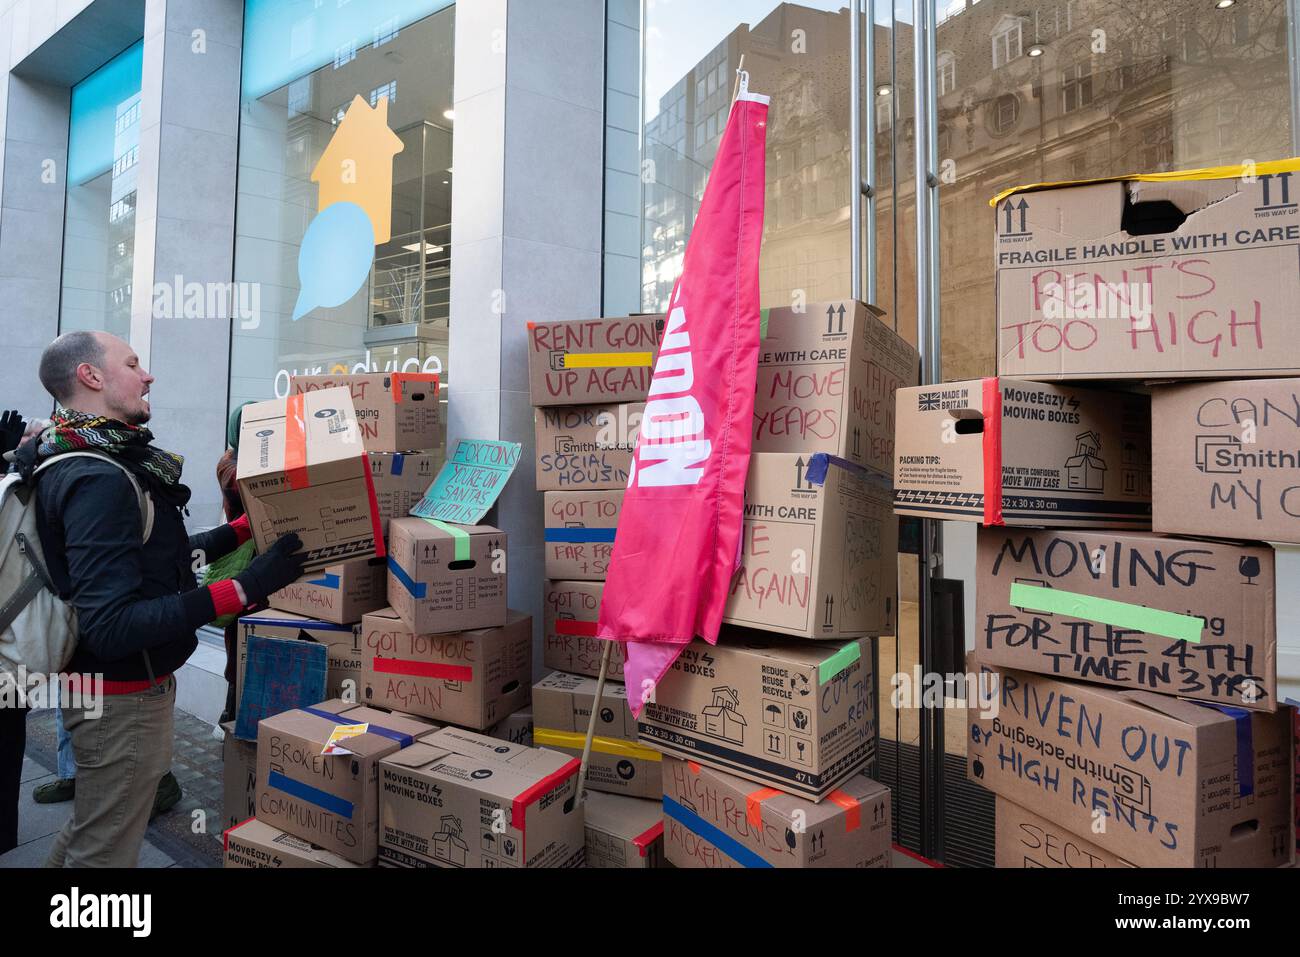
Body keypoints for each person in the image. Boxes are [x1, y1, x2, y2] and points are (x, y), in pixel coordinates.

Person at [12, 331, 307, 867]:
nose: (147, 375)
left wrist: (241, 530)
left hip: (107, 689)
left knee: (95, 829)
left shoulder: (79, 453)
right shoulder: (98, 476)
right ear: (92, 377)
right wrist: (244, 586)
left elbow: (150, 558)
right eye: (132, 363)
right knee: (105, 852)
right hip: (121, 700)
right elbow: (113, 623)